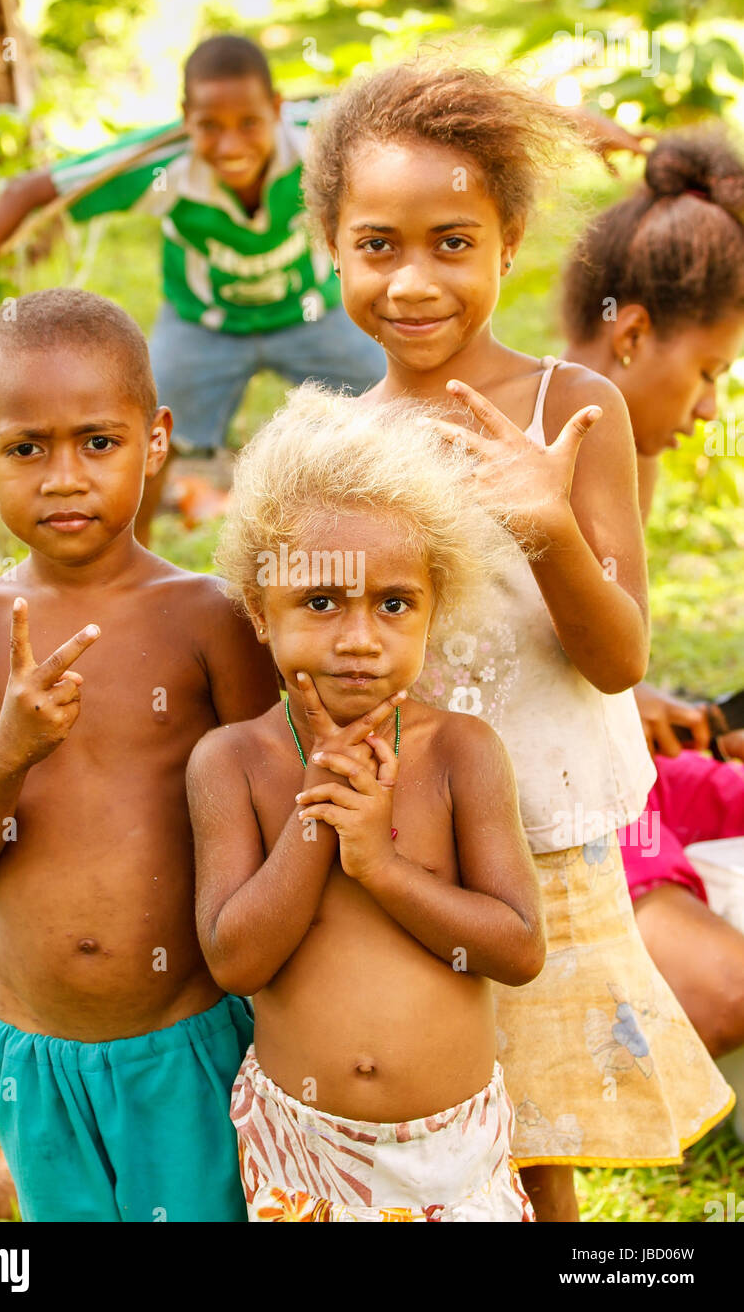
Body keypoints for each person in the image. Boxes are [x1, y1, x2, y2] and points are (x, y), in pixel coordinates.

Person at [301, 57, 735, 1221]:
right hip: (407, 838)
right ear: (328, 251)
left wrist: (545, 524)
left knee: (540, 1129)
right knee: (436, 1118)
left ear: (507, 241)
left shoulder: (570, 412)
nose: (412, 279)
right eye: (376, 243)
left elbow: (617, 659)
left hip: (544, 839)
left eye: (451, 241)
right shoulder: (335, 447)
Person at [0, 287, 280, 1221]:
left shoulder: (208, 617)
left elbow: (271, 815)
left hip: (186, 1038)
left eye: (99, 442)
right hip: (34, 1053)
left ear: (155, 439)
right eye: (26, 449)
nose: (65, 477)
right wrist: (11, 751)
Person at [189, 384, 544, 1222]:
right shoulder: (232, 762)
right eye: (321, 603)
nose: (359, 639)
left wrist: (381, 868)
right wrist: (320, 811)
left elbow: (519, 947)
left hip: (454, 1157)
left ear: (433, 605)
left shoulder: (462, 755)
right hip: (302, 1151)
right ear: (259, 612)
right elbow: (237, 963)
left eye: (395, 604)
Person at [0, 35, 384, 546]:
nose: (231, 145)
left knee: (400, 399)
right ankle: (133, 555)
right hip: (204, 325)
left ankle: (422, 531)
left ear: (278, 109)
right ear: (183, 119)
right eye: (209, 127)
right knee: (144, 427)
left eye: (249, 123)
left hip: (313, 316)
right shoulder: (161, 164)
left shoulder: (323, 140)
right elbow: (26, 192)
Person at [562, 129, 744, 1058]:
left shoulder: (628, 449)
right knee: (729, 994)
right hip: (564, 824)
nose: (713, 407)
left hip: (630, 781)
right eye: (709, 372)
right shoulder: (539, 457)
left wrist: (634, 701)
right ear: (632, 334)